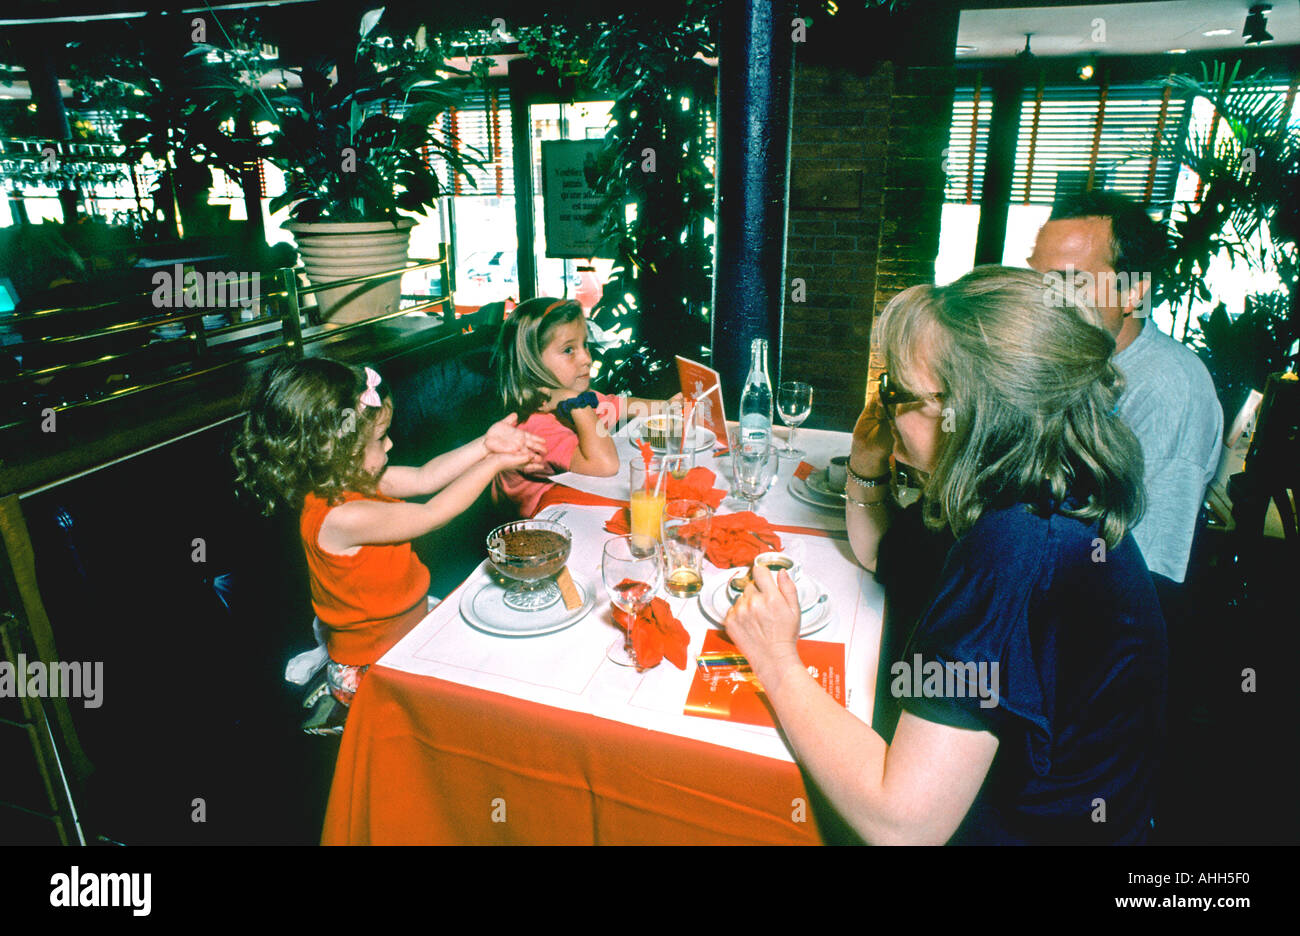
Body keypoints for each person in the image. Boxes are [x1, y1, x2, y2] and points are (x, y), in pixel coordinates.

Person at [724, 267, 1168, 844]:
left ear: (974, 409)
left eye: (896, 391)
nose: (881, 403)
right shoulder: (1028, 480)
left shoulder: (1016, 541)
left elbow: (901, 822)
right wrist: (867, 460)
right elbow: (882, 552)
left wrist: (776, 659)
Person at [232, 357, 546, 705]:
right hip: (371, 664)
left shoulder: (350, 480)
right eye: (381, 438)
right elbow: (434, 512)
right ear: (337, 451)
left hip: (407, 623)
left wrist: (486, 445)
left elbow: (427, 476)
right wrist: (495, 463)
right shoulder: (342, 518)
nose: (391, 445)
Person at [1028, 190, 1222, 587]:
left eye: (1070, 283)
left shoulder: (1170, 388)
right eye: (1036, 279)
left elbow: (1149, 571)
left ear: (1132, 292)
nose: (1044, 301)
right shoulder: (1064, 359)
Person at [491, 297, 676, 517]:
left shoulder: (579, 397)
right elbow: (605, 465)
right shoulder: (534, 426)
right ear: (532, 363)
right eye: (569, 350)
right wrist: (574, 401)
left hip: (569, 505)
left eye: (585, 344)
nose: (586, 358)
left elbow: (620, 405)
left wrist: (667, 406)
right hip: (539, 529)